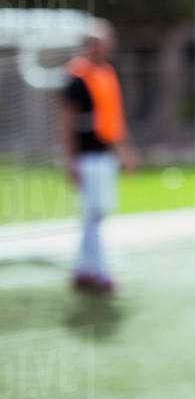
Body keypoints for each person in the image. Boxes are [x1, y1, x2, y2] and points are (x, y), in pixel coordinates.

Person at [61, 19, 137, 294]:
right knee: (93, 214)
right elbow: (66, 122)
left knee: (96, 214)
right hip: (87, 156)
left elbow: (114, 120)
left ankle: (83, 269)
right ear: (92, 44)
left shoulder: (106, 74)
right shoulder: (76, 78)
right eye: (106, 41)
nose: (110, 46)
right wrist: (69, 159)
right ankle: (99, 271)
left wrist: (125, 151)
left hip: (105, 155)